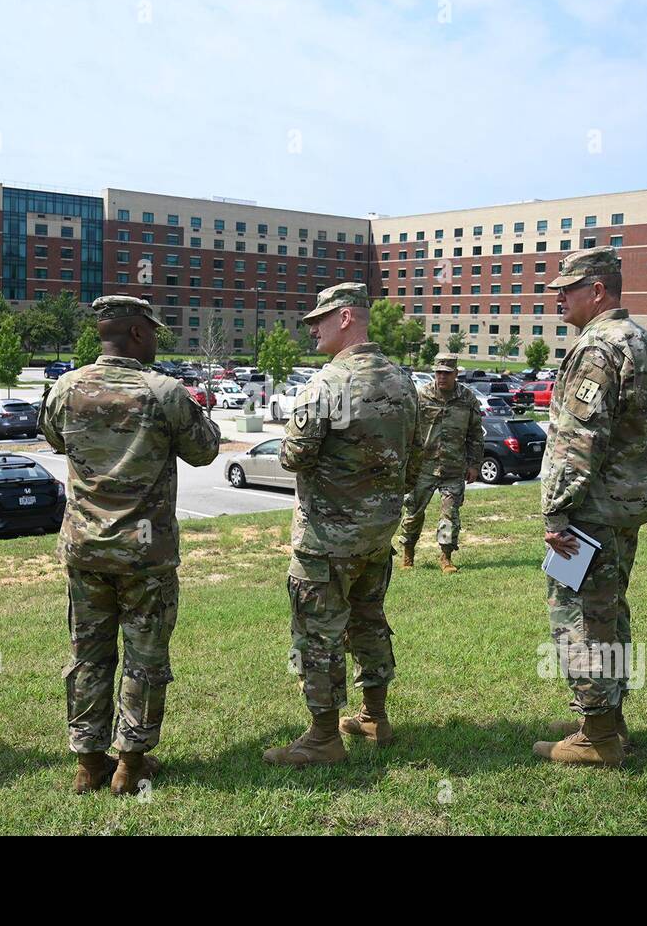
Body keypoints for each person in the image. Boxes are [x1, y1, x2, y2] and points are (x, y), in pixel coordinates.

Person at [41, 295, 220, 794]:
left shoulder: (65, 388)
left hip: (86, 550)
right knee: (145, 657)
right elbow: (205, 451)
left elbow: (57, 440)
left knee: (87, 654)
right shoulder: (164, 392)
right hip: (146, 555)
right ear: (139, 334)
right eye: (155, 333)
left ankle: (89, 762)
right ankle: (130, 761)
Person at [532, 248, 647, 767]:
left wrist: (556, 511)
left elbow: (578, 438)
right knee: (611, 608)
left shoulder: (596, 346)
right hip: (624, 503)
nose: (557, 297)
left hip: (591, 509)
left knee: (581, 615)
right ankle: (608, 717)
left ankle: (596, 736)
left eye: (566, 288)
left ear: (598, 290)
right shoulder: (644, 340)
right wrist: (645, 458)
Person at [263, 282, 419, 765]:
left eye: (320, 318)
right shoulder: (401, 379)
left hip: (326, 541)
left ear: (347, 318)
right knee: (369, 621)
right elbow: (414, 458)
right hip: (377, 535)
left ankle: (323, 737)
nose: (311, 327)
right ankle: (374, 715)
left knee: (319, 637)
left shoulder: (328, 384)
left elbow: (292, 456)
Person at [398, 353, 483, 573]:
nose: (441, 377)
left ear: (456, 374)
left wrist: (474, 464)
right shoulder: (421, 396)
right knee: (413, 512)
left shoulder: (467, 399)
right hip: (422, 467)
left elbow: (475, 435)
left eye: (446, 373)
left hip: (453, 468)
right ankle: (408, 554)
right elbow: (407, 430)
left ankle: (445, 557)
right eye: (438, 373)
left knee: (450, 515)